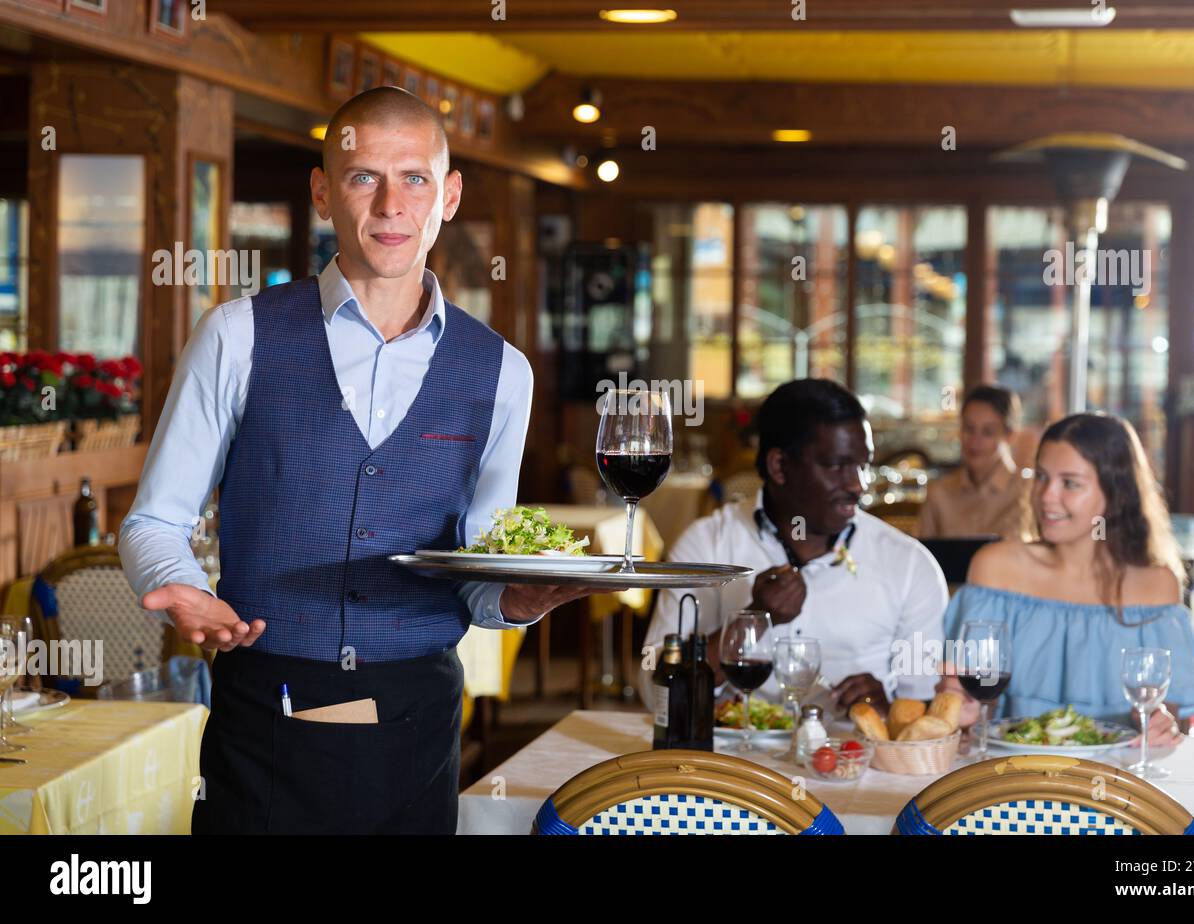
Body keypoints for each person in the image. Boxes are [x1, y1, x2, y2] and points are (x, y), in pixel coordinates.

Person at [119, 87, 593, 834]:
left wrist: (515, 602)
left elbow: (475, 562)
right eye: (362, 177)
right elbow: (153, 519)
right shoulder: (236, 336)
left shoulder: (502, 371)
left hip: (417, 722)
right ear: (322, 193)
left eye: (415, 179)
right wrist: (181, 588)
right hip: (264, 713)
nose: (389, 206)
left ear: (450, 196)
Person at [638, 378, 948, 714]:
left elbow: (924, 712)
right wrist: (754, 620)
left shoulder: (909, 564)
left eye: (863, 465)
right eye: (837, 466)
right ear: (779, 466)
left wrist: (885, 710)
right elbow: (656, 693)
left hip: (854, 761)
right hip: (729, 760)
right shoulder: (707, 546)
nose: (858, 485)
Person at [937, 412, 1194, 743]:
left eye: (1070, 483)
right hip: (1010, 776)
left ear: (1117, 495)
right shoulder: (996, 569)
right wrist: (967, 709)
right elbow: (978, 701)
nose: (1046, 496)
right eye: (1041, 477)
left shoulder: (1156, 586)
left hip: (1116, 781)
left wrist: (1160, 724)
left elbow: (1170, 714)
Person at [918, 383, 1031, 540]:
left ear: (1010, 435)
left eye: (987, 432)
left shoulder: (1029, 494)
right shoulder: (939, 494)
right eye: (969, 429)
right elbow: (920, 559)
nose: (975, 441)